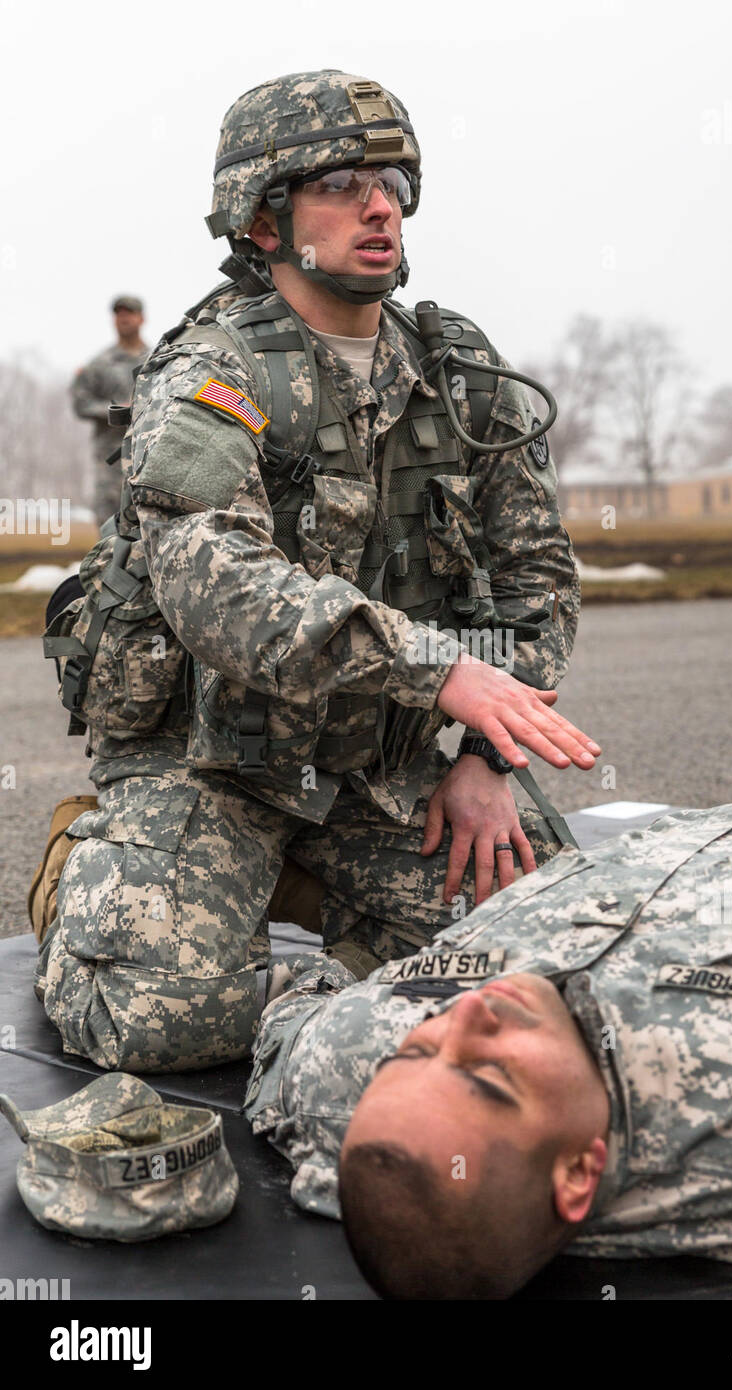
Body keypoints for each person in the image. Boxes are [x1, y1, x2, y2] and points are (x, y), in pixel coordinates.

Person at [33, 70, 596, 1073]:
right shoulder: (210, 373)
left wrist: (483, 760)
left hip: (379, 767)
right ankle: (95, 862)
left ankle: (321, 901)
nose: (379, 205)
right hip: (215, 759)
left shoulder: (456, 372)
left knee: (559, 963)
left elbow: (535, 575)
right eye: (339, 182)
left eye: (391, 181)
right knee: (163, 1022)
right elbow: (214, 581)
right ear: (261, 221)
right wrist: (436, 668)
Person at [243, 628, 732, 1298]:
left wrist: (350, 958)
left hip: (671, 845)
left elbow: (292, 1032)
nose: (469, 1013)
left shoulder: (350, 1081)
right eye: (492, 1071)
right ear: (577, 1175)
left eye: (420, 1049)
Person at [70, 296, 148, 526]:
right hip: (110, 458)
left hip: (146, 453)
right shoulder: (99, 364)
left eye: (129, 313)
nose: (124, 318)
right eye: (119, 314)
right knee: (108, 520)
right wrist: (114, 411)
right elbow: (81, 403)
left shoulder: (157, 359)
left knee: (147, 515)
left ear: (141, 318)